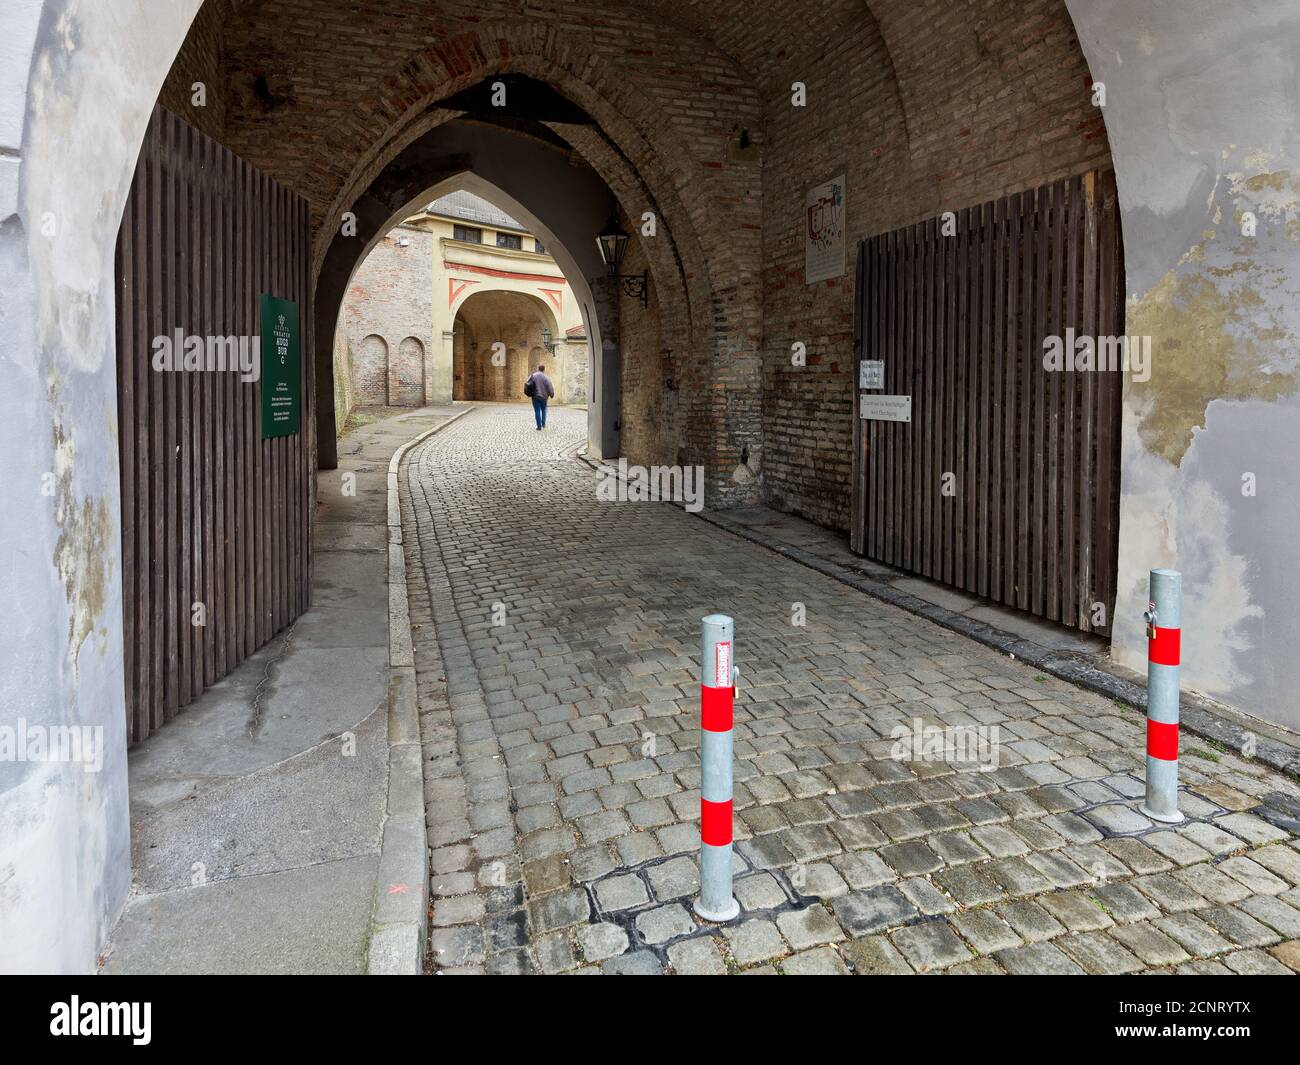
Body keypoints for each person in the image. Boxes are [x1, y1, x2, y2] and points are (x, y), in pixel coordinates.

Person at [526, 363, 555, 430]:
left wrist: (529, 393)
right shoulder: (546, 377)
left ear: (538, 368)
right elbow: (550, 387)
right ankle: (543, 424)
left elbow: (527, 384)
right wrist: (551, 394)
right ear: (544, 369)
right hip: (544, 397)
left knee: (537, 411)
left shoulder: (533, 376)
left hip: (535, 396)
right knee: (544, 410)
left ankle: (539, 426)